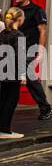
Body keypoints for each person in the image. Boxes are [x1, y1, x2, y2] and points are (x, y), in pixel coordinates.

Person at [11, 0, 52, 120]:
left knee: (30, 79)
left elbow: (43, 31)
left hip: (29, 49)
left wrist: (40, 51)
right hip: (13, 49)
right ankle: (8, 108)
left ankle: (45, 108)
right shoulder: (13, 10)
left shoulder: (37, 10)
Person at [0, 8, 26, 139]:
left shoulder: (2, 34)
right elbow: (20, 56)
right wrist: (23, 74)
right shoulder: (19, 35)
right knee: (11, 101)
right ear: (20, 19)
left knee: (3, 100)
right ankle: (5, 130)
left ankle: (2, 129)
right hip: (13, 73)